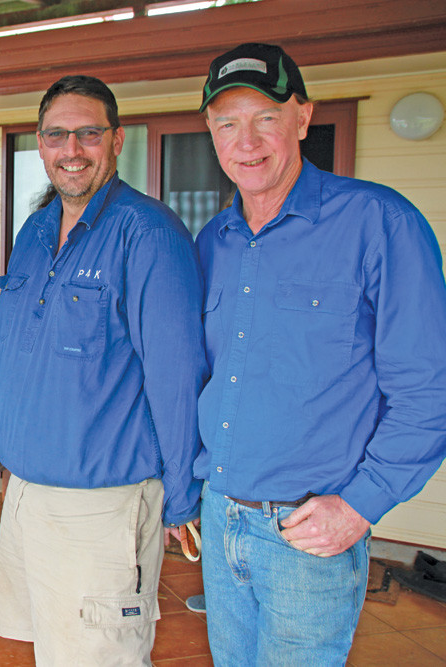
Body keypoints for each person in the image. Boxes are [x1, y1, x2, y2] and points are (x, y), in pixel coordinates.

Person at [195, 42, 446, 665]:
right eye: (228, 123)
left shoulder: (379, 222)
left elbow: (429, 387)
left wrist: (362, 504)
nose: (246, 141)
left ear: (302, 118)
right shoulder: (212, 241)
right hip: (220, 513)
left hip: (308, 533)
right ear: (211, 132)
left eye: (266, 118)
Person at [0, 75, 207, 665]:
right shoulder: (35, 231)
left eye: (89, 133)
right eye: (58, 134)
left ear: (115, 141)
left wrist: (181, 501)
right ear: (40, 143)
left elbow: (177, 377)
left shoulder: (149, 233)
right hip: (28, 495)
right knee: (53, 651)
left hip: (101, 505)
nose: (72, 148)